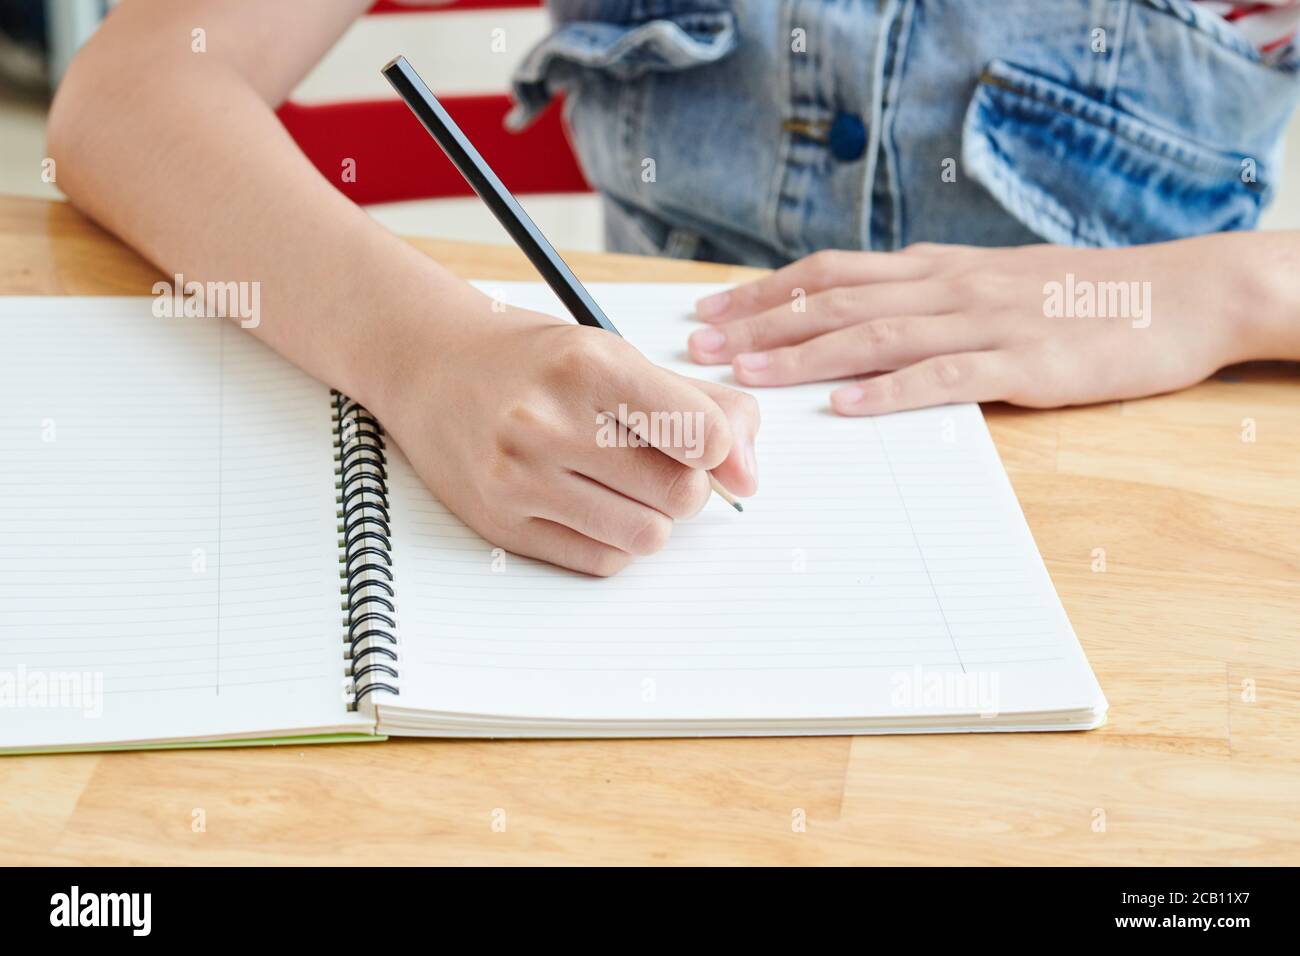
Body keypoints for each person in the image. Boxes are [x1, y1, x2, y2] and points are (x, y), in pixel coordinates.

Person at [46, 0, 1300, 576]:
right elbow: (129, 94)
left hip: (1147, 543)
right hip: (608, 477)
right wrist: (423, 351)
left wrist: (1218, 289)